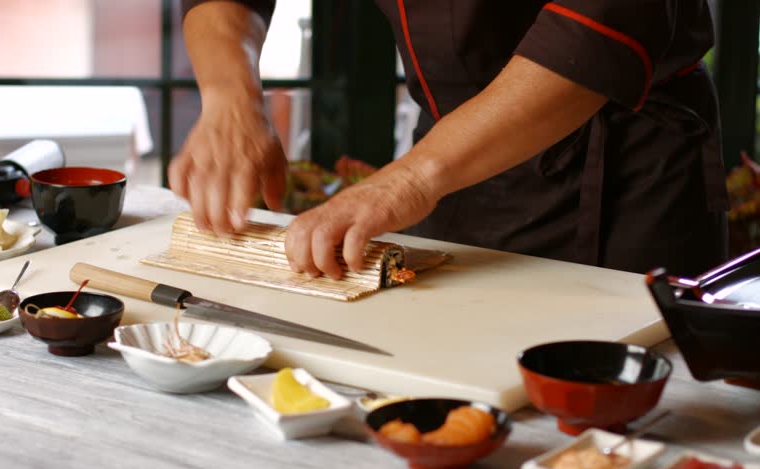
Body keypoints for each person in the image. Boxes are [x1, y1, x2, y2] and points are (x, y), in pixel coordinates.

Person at [170, 0, 728, 281]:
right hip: (450, 159)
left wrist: (412, 179)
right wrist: (229, 98)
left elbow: (605, 18)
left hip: (625, 168)